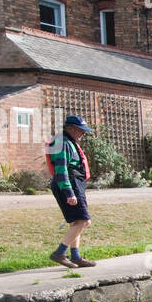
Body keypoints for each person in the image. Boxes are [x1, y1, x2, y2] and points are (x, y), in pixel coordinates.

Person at [47, 115, 96, 268]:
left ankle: (75, 256)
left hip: (75, 183)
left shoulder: (68, 141)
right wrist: (69, 192)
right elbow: (61, 169)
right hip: (69, 184)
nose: (83, 134)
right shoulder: (62, 142)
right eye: (80, 130)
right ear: (70, 129)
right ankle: (59, 253)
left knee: (76, 222)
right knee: (84, 221)